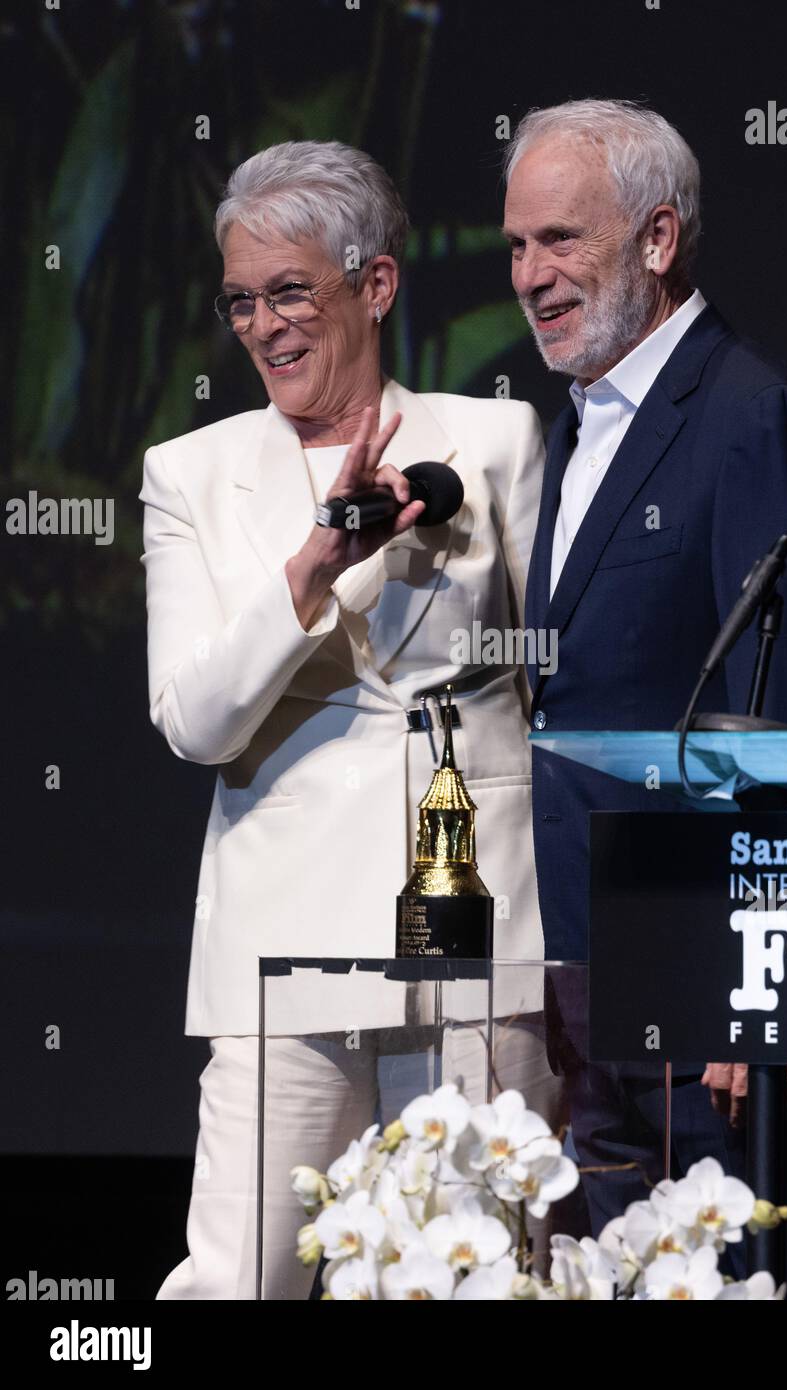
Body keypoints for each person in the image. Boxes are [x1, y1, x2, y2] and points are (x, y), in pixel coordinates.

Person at [141, 139, 556, 1299]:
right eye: (241, 301)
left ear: (375, 284)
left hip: (470, 933)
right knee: (241, 1280)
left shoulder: (495, 443)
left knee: (478, 1269)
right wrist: (315, 563)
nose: (264, 326)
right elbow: (198, 720)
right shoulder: (190, 472)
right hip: (285, 943)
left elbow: (548, 688)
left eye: (290, 292)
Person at [502, 98, 787, 1299]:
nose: (531, 275)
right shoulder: (574, 432)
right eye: (516, 246)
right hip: (589, 984)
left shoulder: (752, 419)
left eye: (562, 239)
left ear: (659, 240)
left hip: (711, 1004)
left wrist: (757, 991)